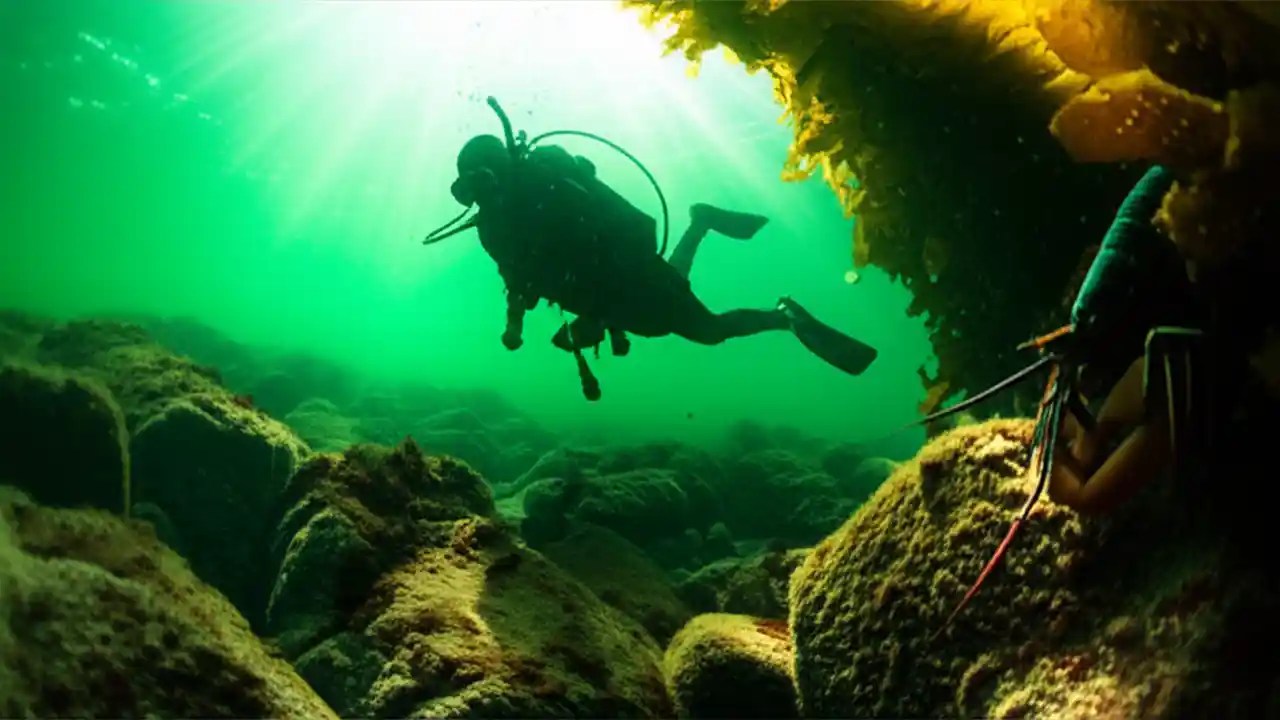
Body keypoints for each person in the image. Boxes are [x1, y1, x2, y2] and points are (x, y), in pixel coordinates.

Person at [448, 133, 879, 394]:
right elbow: (515, 279)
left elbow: (589, 239)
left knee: (708, 330)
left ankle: (784, 316)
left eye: (482, 177)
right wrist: (515, 324)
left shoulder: (547, 186)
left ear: (499, 166)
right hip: (613, 294)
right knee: (673, 293)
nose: (480, 192)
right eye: (469, 185)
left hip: (627, 279)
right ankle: (701, 222)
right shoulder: (494, 228)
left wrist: (582, 314)